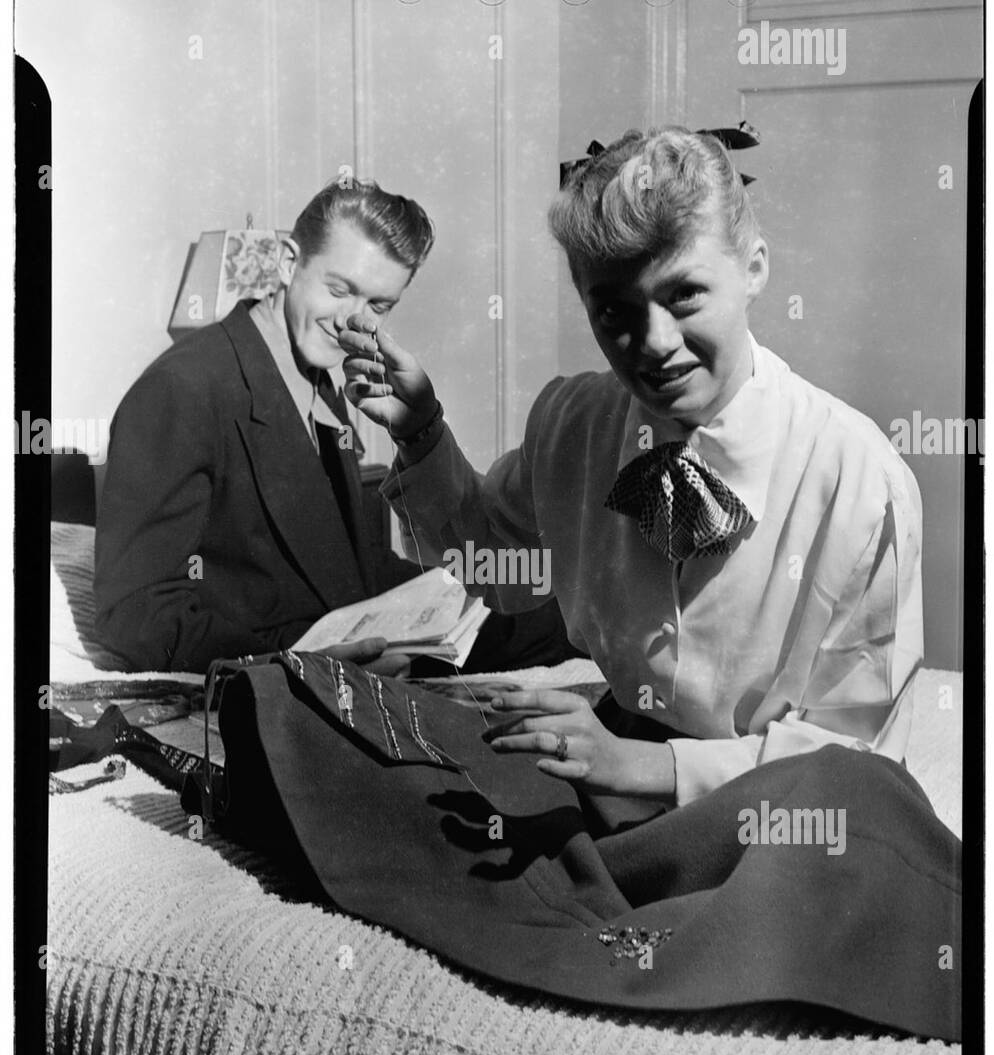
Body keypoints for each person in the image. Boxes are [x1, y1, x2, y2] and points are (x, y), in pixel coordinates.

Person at [339, 127, 923, 810]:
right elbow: (494, 568)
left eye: (684, 296)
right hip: (609, 760)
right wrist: (420, 431)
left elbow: (859, 762)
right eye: (614, 311)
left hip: (774, 808)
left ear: (755, 268)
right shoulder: (575, 422)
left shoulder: (862, 483)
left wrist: (645, 767)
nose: (654, 345)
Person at [94, 179, 572, 676]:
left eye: (378, 306)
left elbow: (346, 568)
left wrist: (453, 602)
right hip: (288, 664)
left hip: (351, 646)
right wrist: (298, 664)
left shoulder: (320, 382)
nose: (351, 320)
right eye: (339, 289)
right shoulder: (182, 387)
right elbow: (134, 615)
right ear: (285, 262)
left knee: (568, 627)